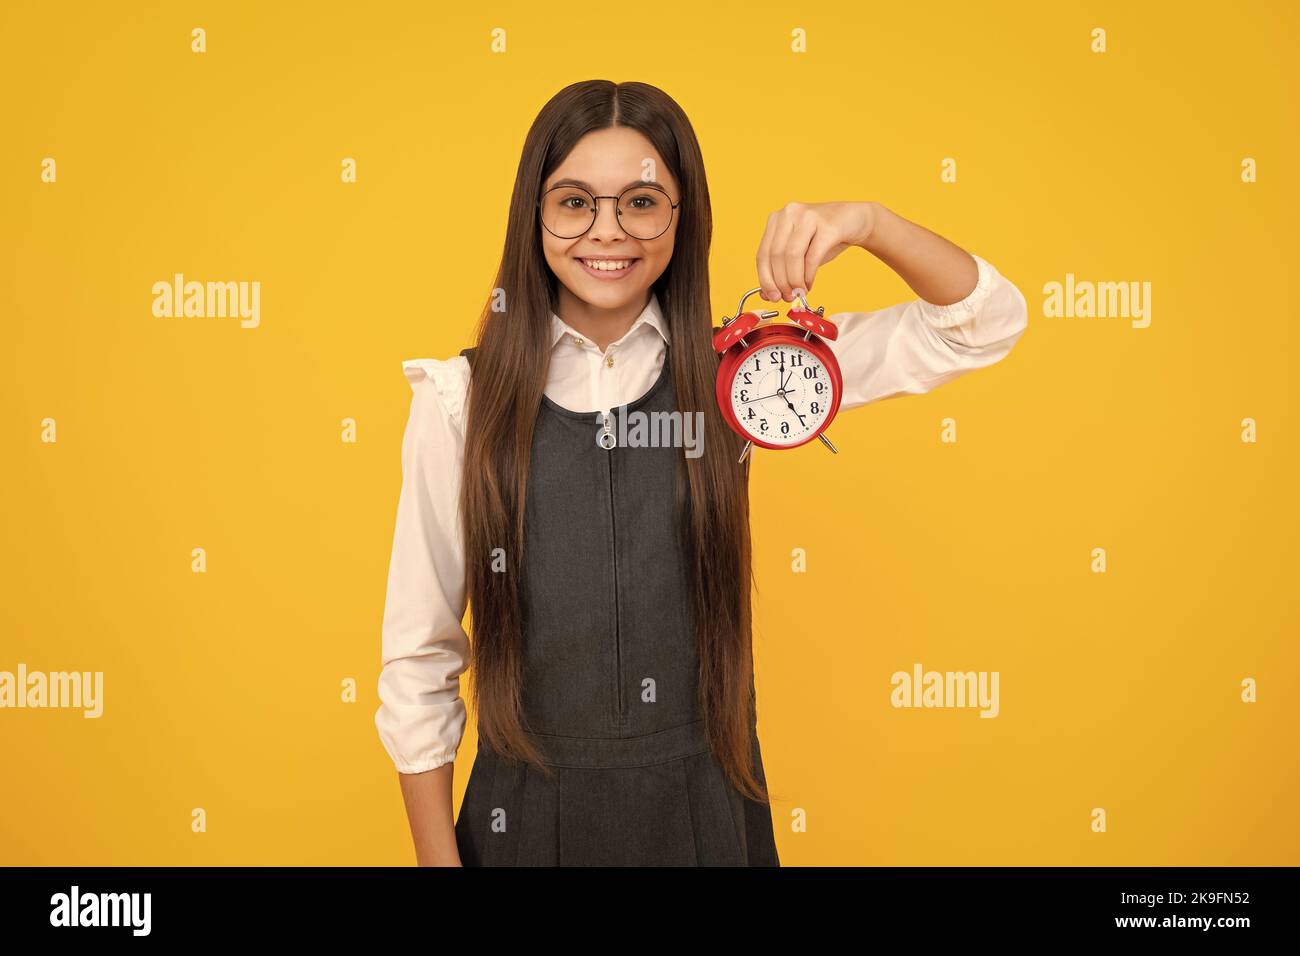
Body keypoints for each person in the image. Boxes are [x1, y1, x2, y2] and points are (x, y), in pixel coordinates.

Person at [375, 79, 1029, 866]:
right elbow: (420, 659)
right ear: (534, 215)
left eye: (642, 203)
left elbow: (983, 326)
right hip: (524, 820)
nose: (607, 231)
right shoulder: (460, 400)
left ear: (683, 218)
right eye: (575, 201)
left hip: (706, 812)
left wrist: (868, 222)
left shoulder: (749, 373)